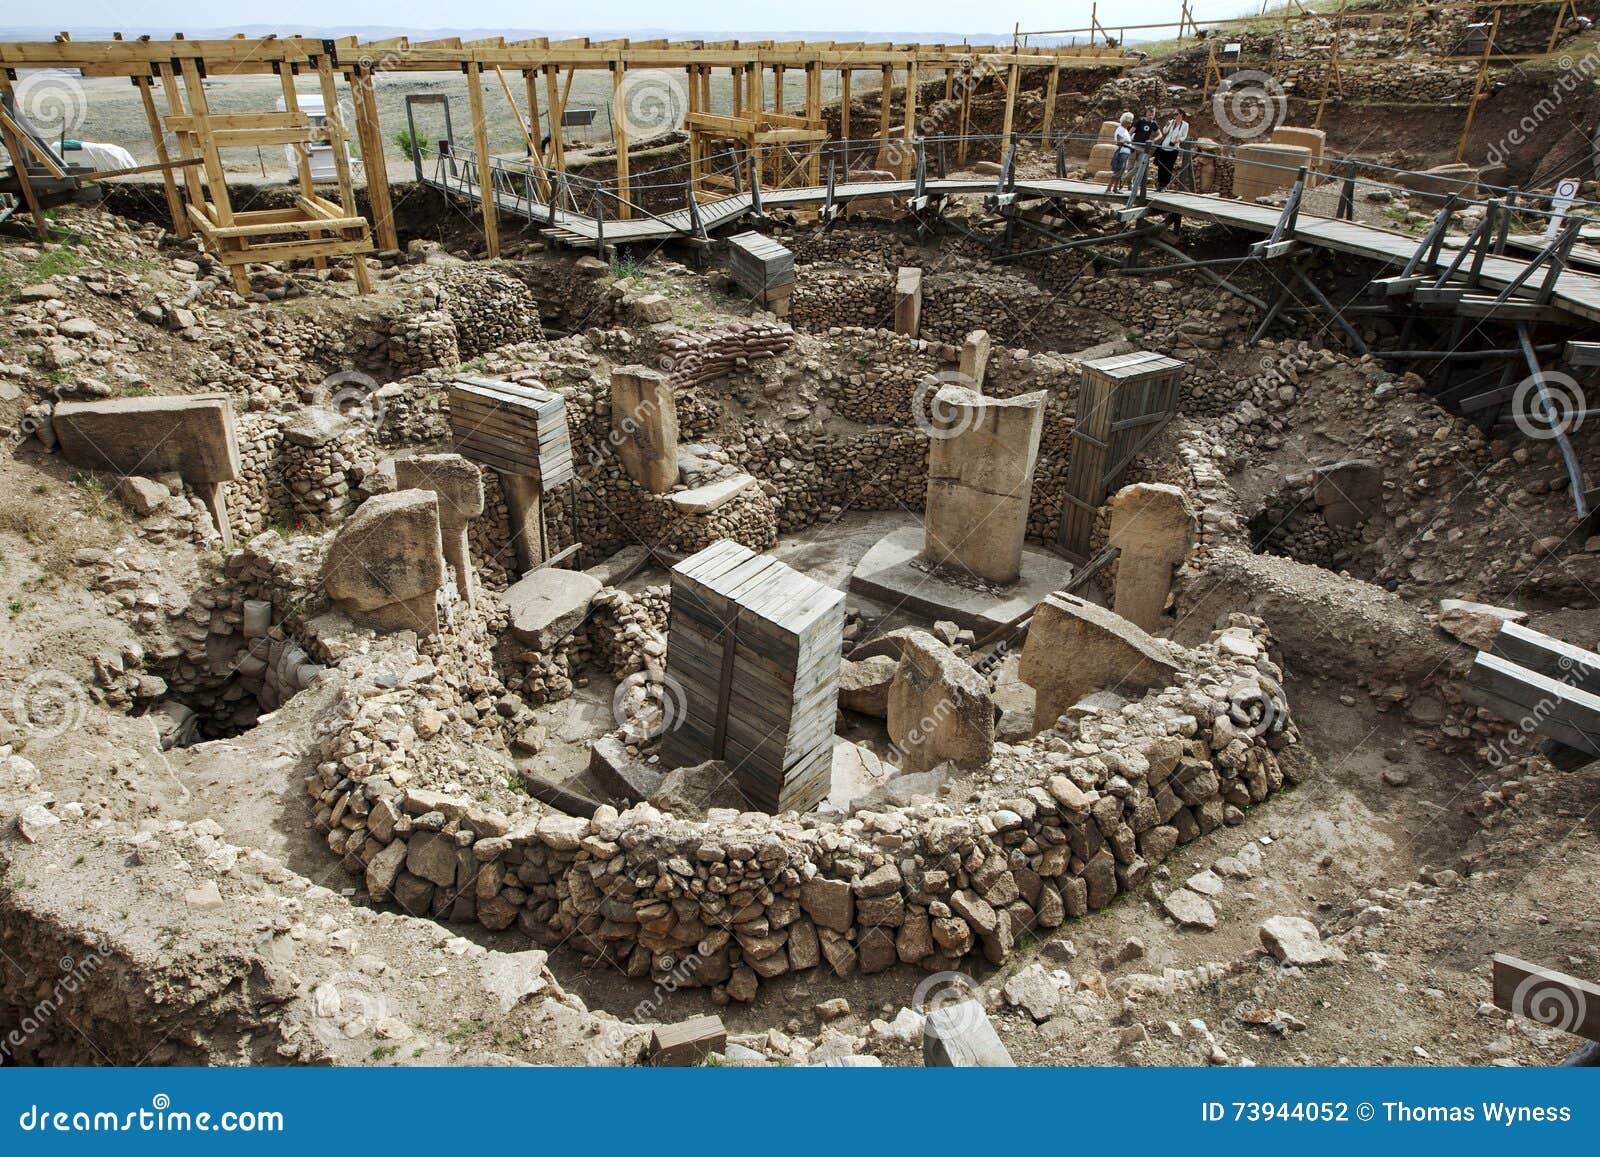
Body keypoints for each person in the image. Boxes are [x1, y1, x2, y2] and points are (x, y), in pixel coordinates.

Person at [1154, 107, 1189, 191]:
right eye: (1174, 114)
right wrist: (1166, 126)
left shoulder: (1185, 125)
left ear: (1181, 115)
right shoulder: (1171, 122)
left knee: (1169, 167)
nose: (1174, 116)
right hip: (1165, 146)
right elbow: (1165, 131)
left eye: (1176, 114)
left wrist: (1179, 140)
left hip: (1174, 148)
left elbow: (1184, 136)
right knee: (1161, 166)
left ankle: (1164, 185)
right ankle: (1160, 184)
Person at [1105, 111, 1135, 194]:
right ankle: (1108, 189)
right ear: (1126, 121)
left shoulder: (1125, 130)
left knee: (1121, 171)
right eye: (1130, 121)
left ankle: (1115, 188)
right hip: (1122, 152)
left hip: (1126, 152)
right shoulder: (1120, 129)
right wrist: (1128, 143)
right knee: (1118, 171)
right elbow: (1119, 141)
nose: (1131, 122)